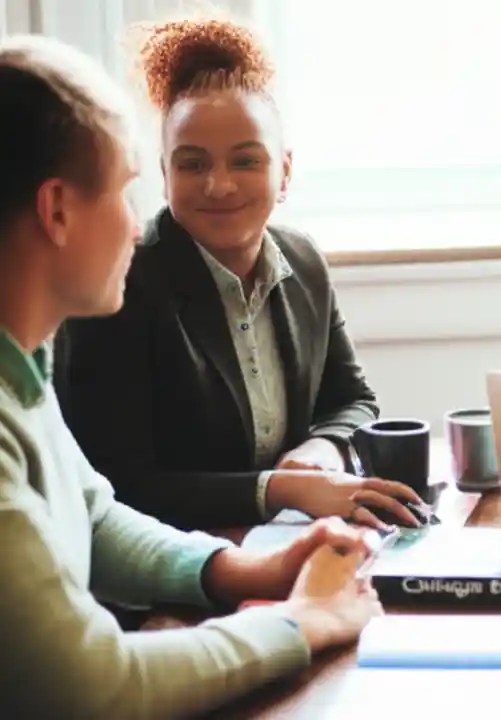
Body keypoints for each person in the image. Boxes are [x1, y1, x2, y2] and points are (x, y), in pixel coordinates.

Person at [0, 34, 381, 717]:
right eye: (124, 188)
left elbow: (97, 515)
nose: (135, 223)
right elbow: (94, 683)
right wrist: (304, 620)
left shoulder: (22, 369)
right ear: (57, 211)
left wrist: (245, 569)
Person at [55, 17, 422, 530]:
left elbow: (354, 401)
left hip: (284, 541)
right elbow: (121, 484)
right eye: (192, 164)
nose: (220, 185)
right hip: (168, 566)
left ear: (285, 172)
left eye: (246, 161)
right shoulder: (119, 286)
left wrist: (322, 450)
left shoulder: (304, 260)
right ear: (164, 175)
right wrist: (277, 490)